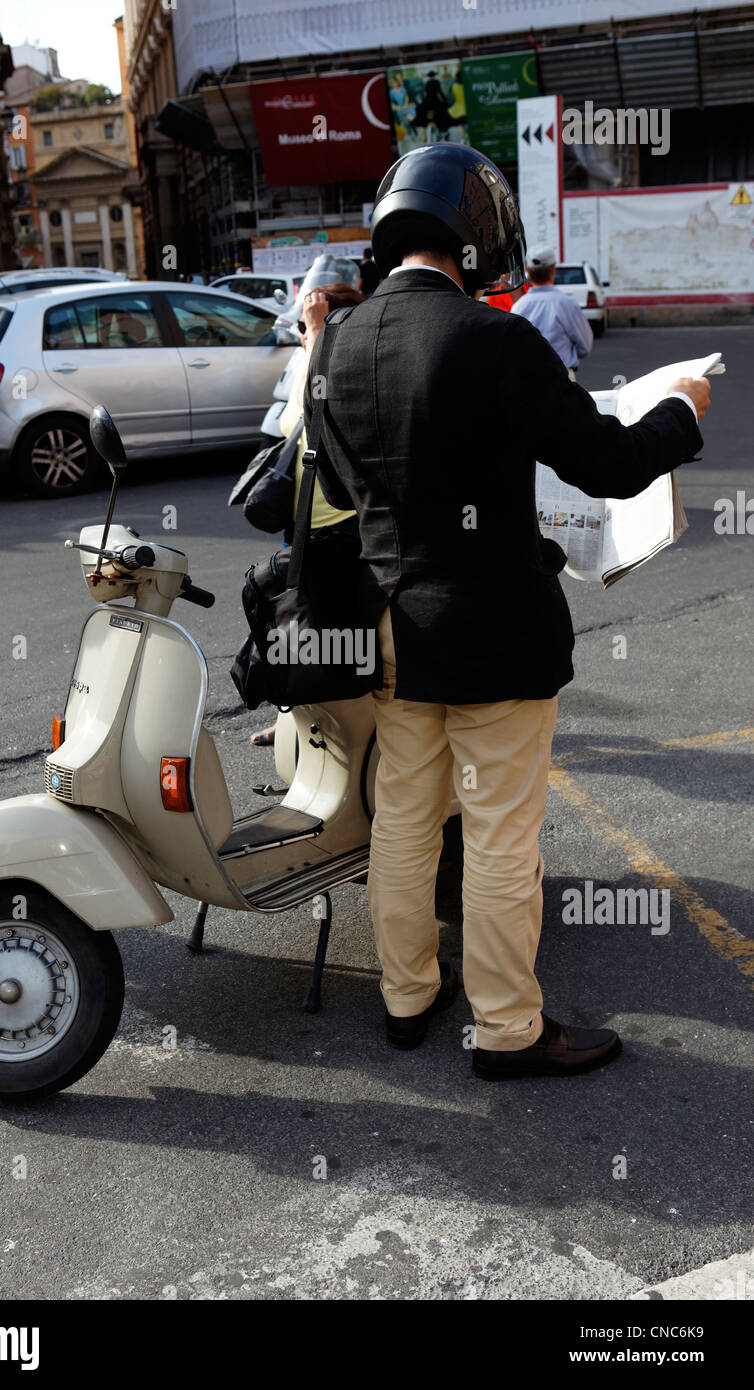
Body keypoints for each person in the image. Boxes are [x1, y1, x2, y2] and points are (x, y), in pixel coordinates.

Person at [302, 143, 710, 1080]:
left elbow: (333, 480)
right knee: (495, 835)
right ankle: (508, 1029)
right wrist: (681, 411)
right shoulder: (494, 338)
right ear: (474, 233)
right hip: (495, 636)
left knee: (405, 821)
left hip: (392, 632)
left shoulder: (339, 345)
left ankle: (407, 998)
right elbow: (606, 463)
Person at [250, 281, 363, 747]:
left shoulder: (345, 356)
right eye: (300, 324)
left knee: (339, 628)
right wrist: (310, 337)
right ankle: (293, 717)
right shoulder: (308, 353)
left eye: (308, 323)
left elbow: (308, 403)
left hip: (341, 519)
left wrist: (317, 331)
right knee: (296, 623)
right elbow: (285, 421)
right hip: (302, 517)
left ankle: (352, 723)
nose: (301, 331)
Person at [512, 246, 592, 379]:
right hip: (562, 379)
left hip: (529, 380)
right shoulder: (567, 304)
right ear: (554, 269)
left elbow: (514, 350)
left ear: (528, 271)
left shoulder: (519, 307)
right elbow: (585, 347)